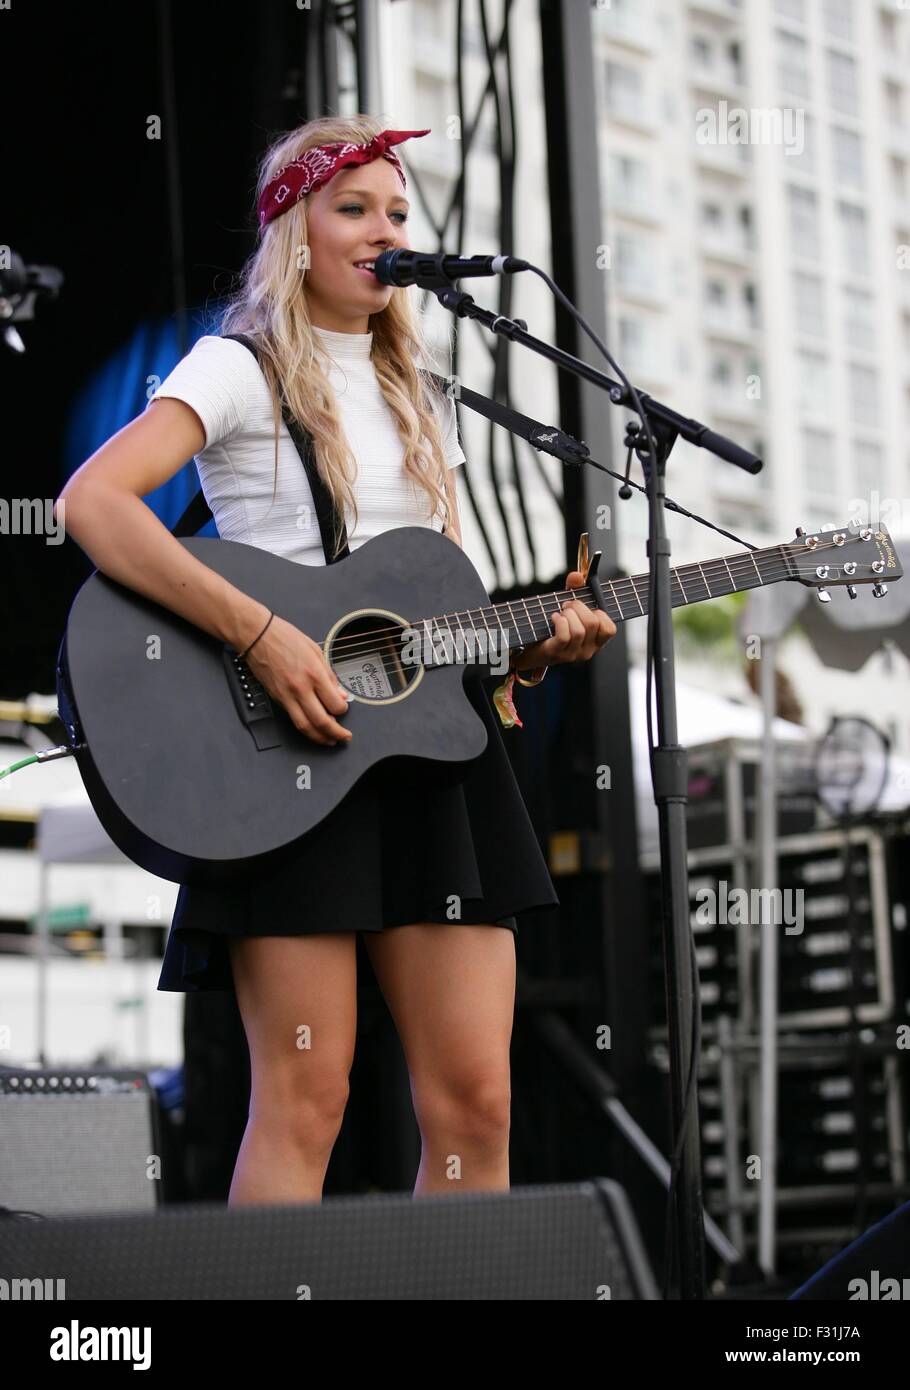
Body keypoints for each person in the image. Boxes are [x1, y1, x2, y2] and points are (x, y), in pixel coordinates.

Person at [56, 113, 616, 1207]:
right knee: (306, 1100)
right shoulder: (237, 365)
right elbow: (93, 503)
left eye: (397, 212)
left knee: (474, 1103)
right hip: (283, 763)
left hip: (429, 763)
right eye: (351, 207)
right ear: (291, 230)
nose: (381, 229)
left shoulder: (422, 390)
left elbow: (440, 608)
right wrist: (261, 633)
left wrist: (532, 643)